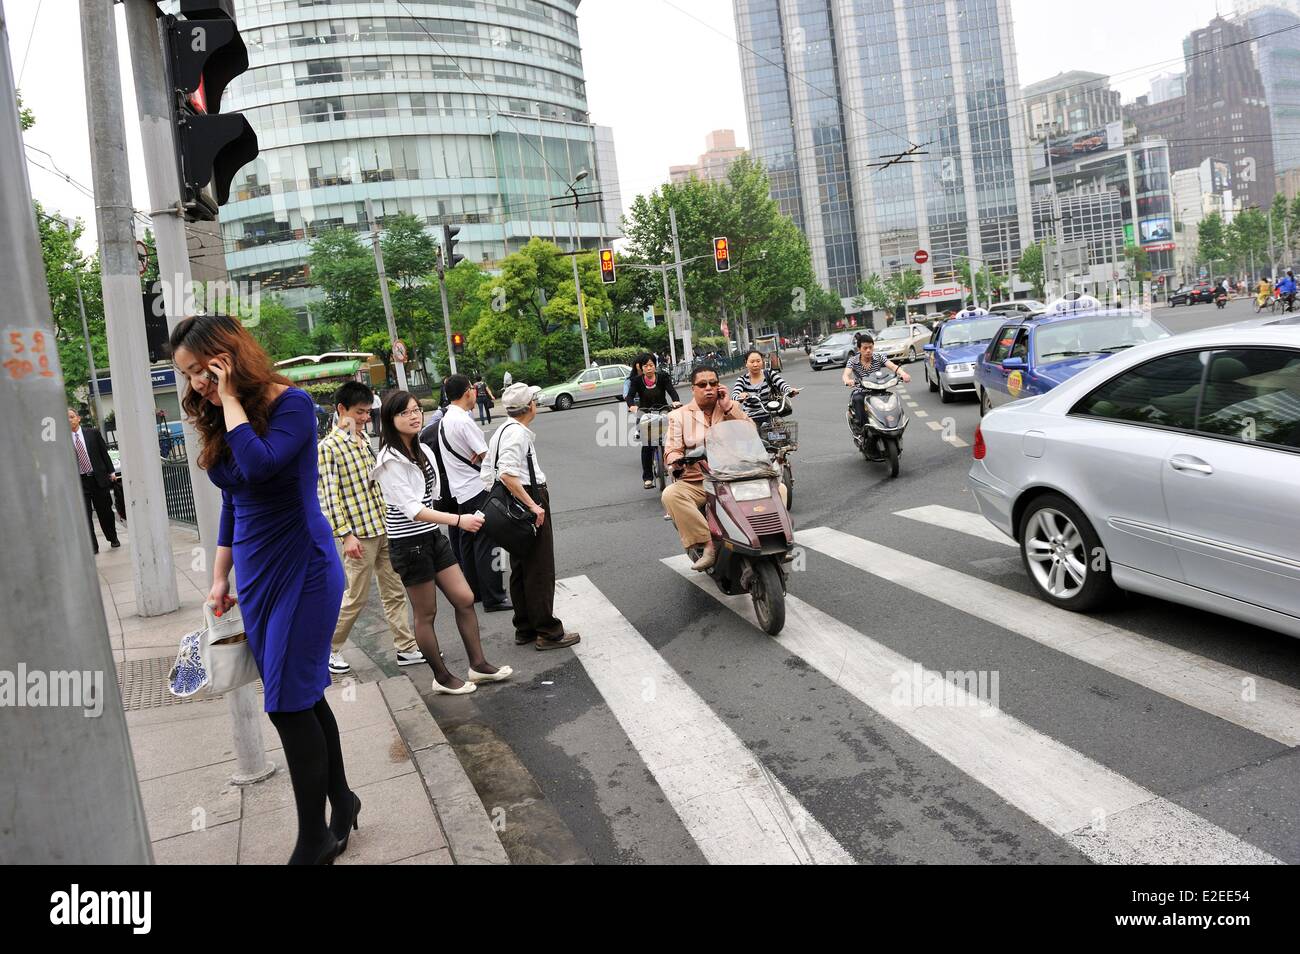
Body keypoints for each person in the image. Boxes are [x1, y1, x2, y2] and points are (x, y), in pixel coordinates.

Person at [170, 314, 350, 865]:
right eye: (189, 375)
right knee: (302, 696)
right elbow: (233, 500)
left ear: (229, 354)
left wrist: (229, 402)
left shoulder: (289, 403)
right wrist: (220, 577)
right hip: (254, 569)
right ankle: (342, 800)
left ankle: (314, 836)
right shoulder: (223, 414)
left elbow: (262, 465)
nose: (198, 383)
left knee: (288, 705)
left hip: (304, 566)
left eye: (204, 369)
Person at [372, 391, 511, 694]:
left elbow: (432, 496)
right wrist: (460, 520)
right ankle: (442, 677)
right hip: (409, 545)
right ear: (390, 420)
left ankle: (477, 665)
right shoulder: (388, 461)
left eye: (416, 410)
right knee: (426, 614)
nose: (414, 416)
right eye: (405, 413)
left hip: (432, 537)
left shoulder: (422, 450)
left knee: (463, 598)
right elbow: (414, 510)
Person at [317, 380, 423, 675]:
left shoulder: (363, 441)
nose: (366, 417)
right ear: (341, 409)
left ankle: (406, 647)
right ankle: (327, 649)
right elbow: (328, 496)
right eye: (360, 412)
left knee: (394, 591)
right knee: (356, 597)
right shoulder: (328, 448)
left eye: (367, 412)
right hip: (359, 535)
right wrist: (345, 535)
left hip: (383, 526)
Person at [482, 384, 580, 651]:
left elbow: (488, 473)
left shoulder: (502, 430)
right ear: (530, 406)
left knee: (522, 565)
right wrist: (534, 506)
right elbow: (506, 473)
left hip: (511, 502)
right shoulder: (517, 435)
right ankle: (547, 631)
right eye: (535, 400)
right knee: (540, 568)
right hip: (527, 499)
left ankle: (524, 627)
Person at [662, 365, 751, 572]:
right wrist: (677, 462)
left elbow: (751, 433)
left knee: (778, 489)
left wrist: (729, 407)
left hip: (735, 477)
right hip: (699, 481)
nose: (708, 388)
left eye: (713, 383)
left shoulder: (730, 406)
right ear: (693, 389)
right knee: (671, 495)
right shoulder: (678, 416)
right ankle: (709, 544)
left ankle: (774, 541)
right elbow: (672, 449)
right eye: (702, 385)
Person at [438, 375, 511, 611]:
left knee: (469, 544)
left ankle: (475, 593)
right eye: (471, 388)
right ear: (467, 392)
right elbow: (485, 456)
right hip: (476, 487)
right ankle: (493, 597)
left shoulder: (445, 419)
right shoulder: (463, 420)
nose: (473, 392)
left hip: (461, 490)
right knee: (486, 542)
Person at [68, 407, 120, 553]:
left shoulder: (92, 433)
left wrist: (111, 471)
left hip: (98, 479)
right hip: (79, 482)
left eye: (71, 416)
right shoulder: (63, 440)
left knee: (105, 512)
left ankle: (112, 538)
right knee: (85, 515)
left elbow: (104, 453)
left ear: (78, 418)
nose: (69, 420)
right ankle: (92, 546)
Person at [626, 355, 682, 488]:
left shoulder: (663, 377)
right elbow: (630, 396)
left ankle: (673, 468)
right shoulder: (636, 381)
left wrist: (675, 401)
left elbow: (672, 392)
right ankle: (648, 478)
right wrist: (632, 406)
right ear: (642, 368)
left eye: (651, 365)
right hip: (645, 413)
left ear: (655, 366)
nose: (649, 368)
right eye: (646, 366)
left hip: (663, 411)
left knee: (670, 441)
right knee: (647, 446)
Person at [842, 332, 911, 430]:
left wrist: (903, 374)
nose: (868, 350)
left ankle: (893, 424)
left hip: (880, 389)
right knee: (857, 399)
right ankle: (862, 428)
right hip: (862, 391)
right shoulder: (853, 360)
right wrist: (848, 380)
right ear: (859, 349)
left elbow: (892, 366)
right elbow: (846, 374)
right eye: (865, 348)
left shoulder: (879, 357)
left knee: (893, 398)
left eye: (870, 347)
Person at [731, 348, 798, 427]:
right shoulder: (742, 380)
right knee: (751, 436)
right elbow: (734, 395)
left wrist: (790, 390)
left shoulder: (769, 373)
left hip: (770, 414)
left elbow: (782, 384)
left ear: (762, 361)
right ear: (746, 363)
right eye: (752, 362)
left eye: (758, 361)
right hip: (750, 417)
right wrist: (740, 396)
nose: (755, 364)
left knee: (781, 429)